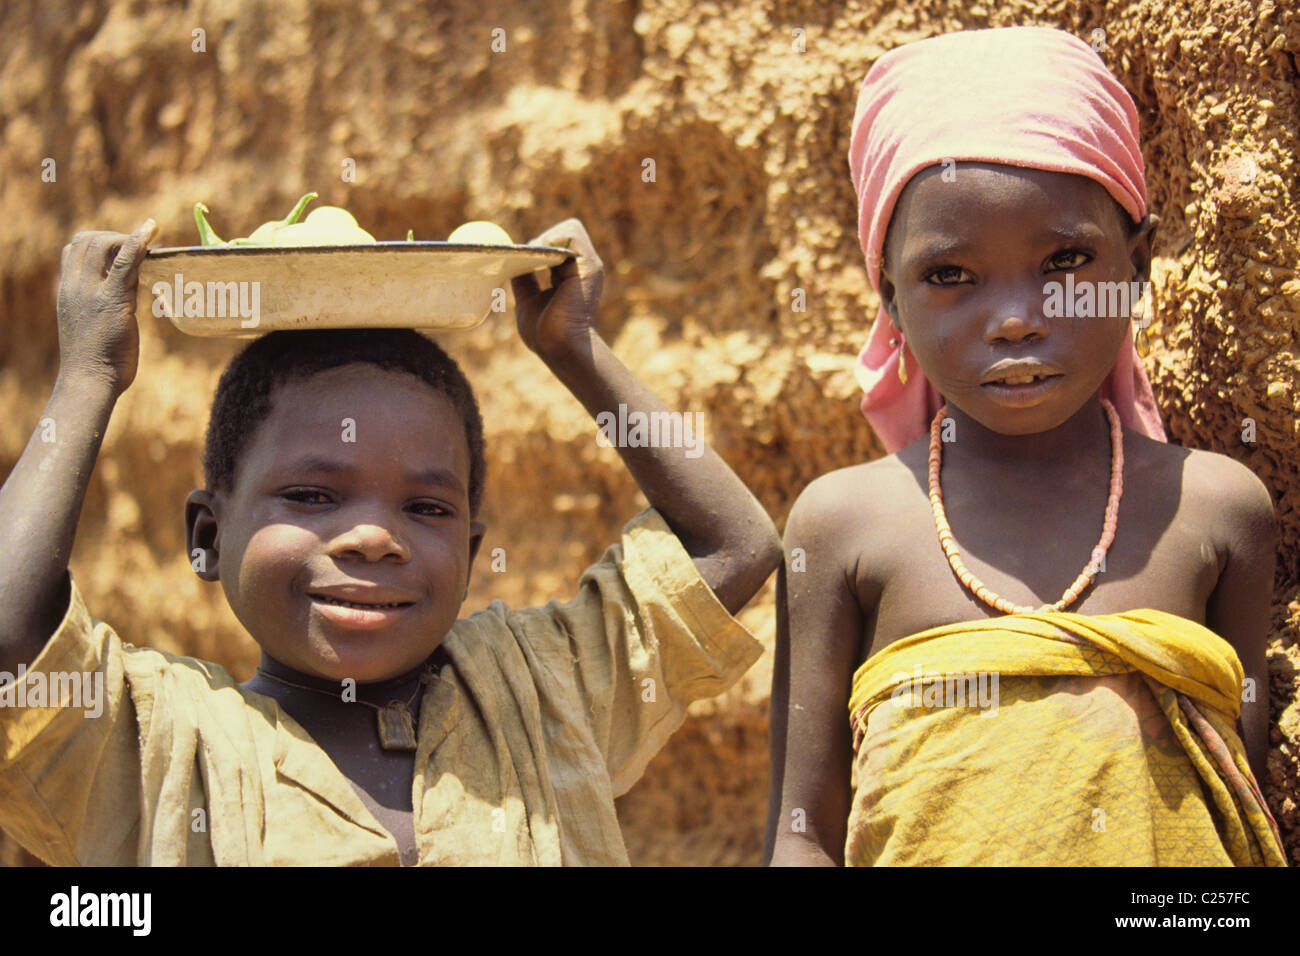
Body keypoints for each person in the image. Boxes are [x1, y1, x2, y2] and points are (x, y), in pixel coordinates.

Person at [0, 217, 781, 865]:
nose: (374, 537)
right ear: (206, 536)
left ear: (473, 556)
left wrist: (576, 351)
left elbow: (731, 547)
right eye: (312, 496)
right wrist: (87, 378)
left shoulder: (539, 691)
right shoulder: (164, 746)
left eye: (427, 508)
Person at [765, 26, 1286, 866]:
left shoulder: (1216, 511)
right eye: (949, 276)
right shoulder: (842, 529)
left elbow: (1238, 820)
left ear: (1137, 264)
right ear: (890, 300)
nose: (1014, 317)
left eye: (1066, 259)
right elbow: (800, 838)